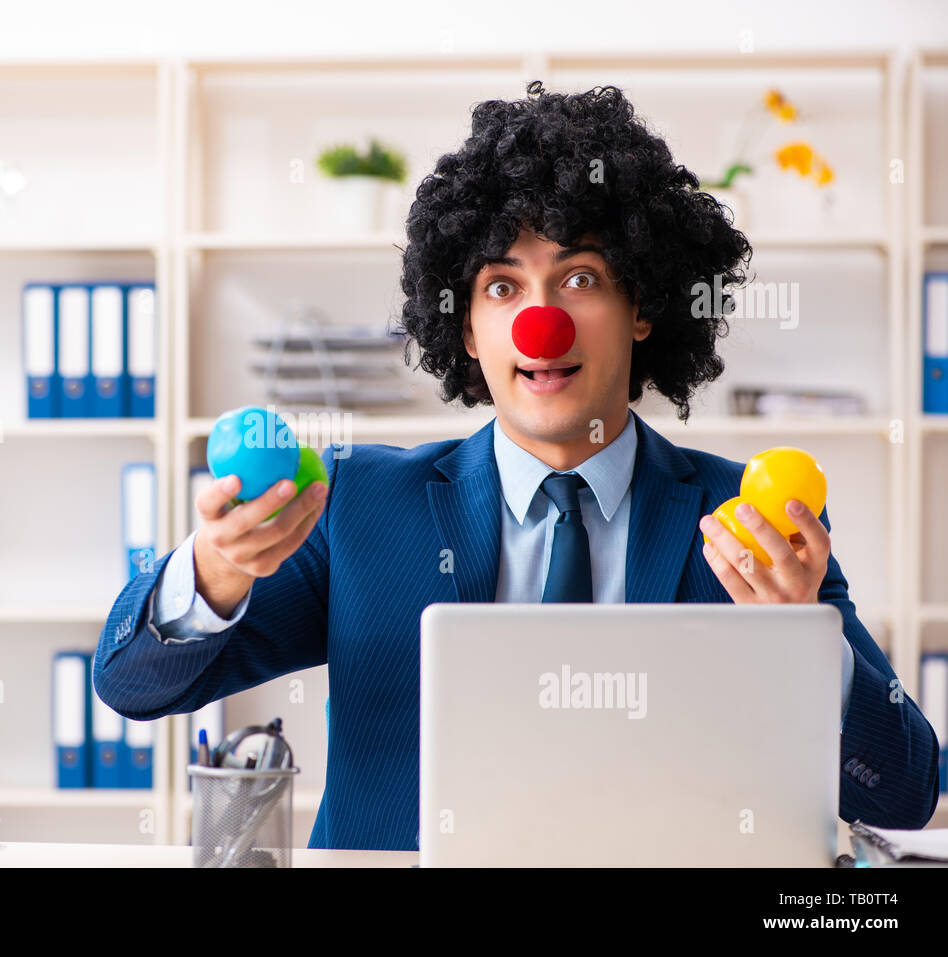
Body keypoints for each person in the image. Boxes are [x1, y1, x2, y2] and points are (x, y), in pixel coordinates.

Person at [94, 80, 940, 851]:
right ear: (467, 330)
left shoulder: (748, 520)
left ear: (641, 308)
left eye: (579, 277)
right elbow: (131, 683)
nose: (542, 322)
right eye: (503, 286)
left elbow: (906, 788)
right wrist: (213, 573)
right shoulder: (359, 506)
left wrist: (804, 645)